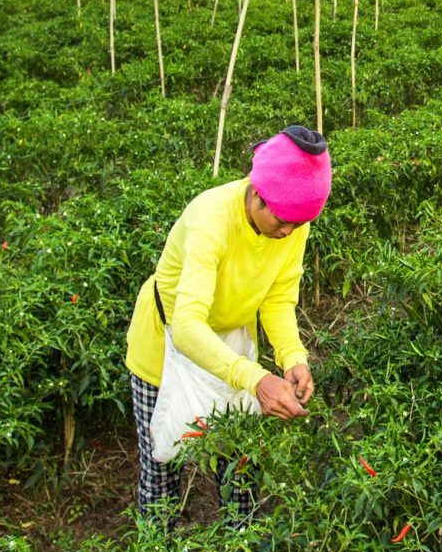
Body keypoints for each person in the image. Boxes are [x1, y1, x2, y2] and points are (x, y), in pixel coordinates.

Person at [124, 125, 331, 528]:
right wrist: (254, 379)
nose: (288, 231)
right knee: (162, 467)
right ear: (256, 194)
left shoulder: (295, 222)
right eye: (283, 220)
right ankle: (159, 548)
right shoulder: (211, 218)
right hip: (164, 347)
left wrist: (293, 357)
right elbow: (186, 327)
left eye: (299, 222)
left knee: (239, 465)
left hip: (231, 340)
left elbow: (278, 298)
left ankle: (242, 546)